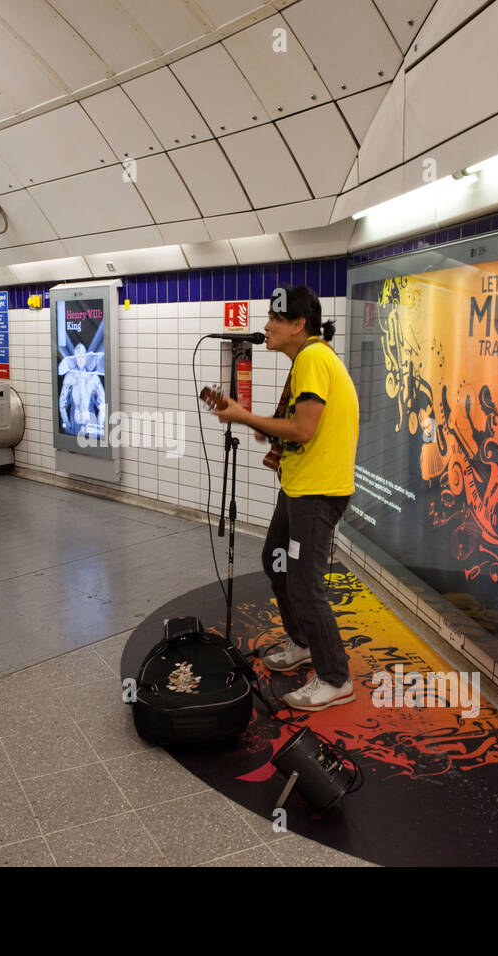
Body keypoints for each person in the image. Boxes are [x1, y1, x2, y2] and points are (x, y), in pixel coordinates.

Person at [212, 286, 360, 712]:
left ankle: (336, 678)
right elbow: (286, 427)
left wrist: (242, 415)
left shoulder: (313, 358)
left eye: (275, 320)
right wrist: (256, 422)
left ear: (298, 325)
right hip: (298, 487)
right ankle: (302, 643)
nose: (266, 326)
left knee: (304, 584)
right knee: (275, 561)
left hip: (317, 493)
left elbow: (304, 430)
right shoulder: (307, 360)